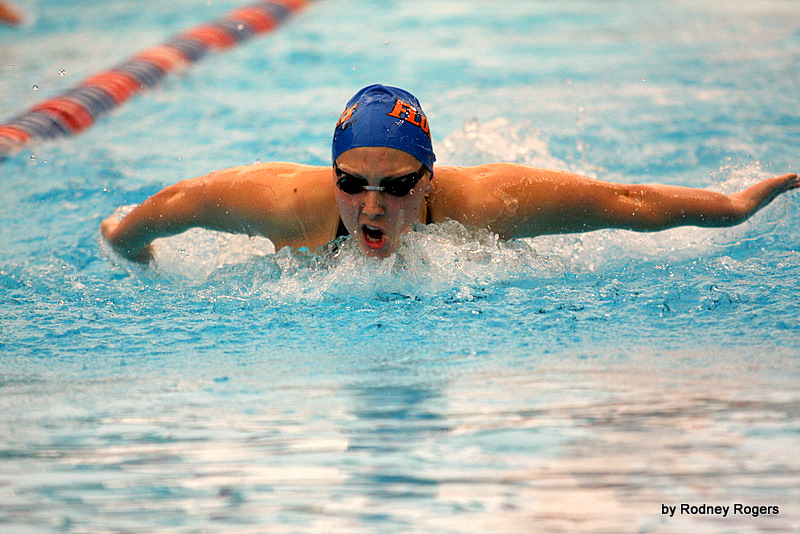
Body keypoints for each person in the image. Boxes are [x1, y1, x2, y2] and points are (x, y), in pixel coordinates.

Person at [101, 84, 798, 264]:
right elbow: (178, 202)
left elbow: (622, 201)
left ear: (428, 181)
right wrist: (132, 246)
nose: (371, 206)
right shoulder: (291, 204)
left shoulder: (484, 204)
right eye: (353, 182)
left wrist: (735, 205)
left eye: (397, 185)